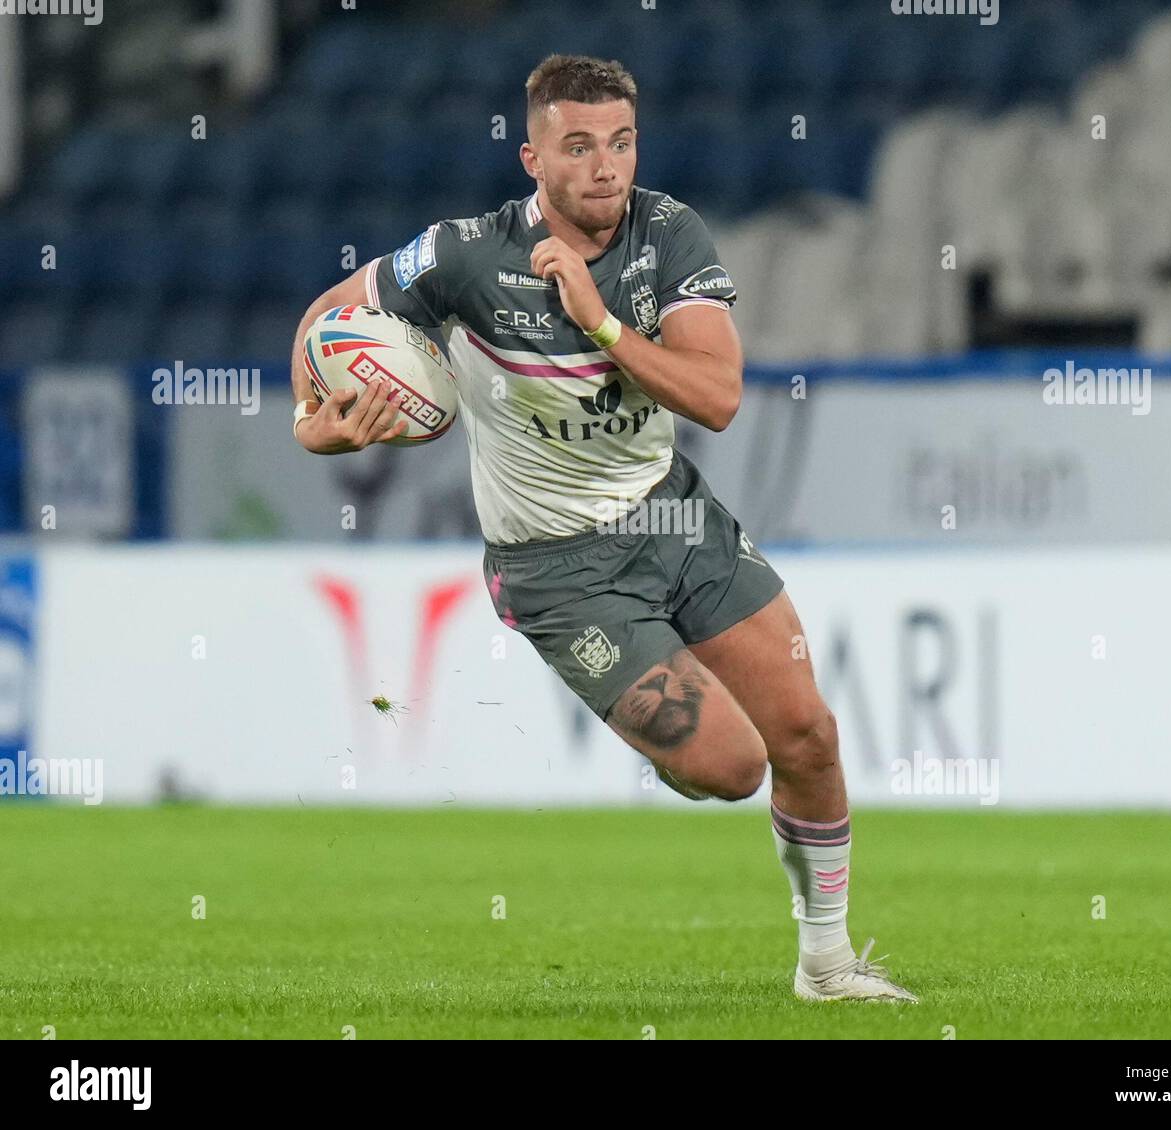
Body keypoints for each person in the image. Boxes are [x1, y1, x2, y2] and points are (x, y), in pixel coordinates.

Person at [290, 54, 916, 1004]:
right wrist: (313, 421)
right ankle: (644, 695)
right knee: (734, 766)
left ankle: (826, 967)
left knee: (809, 735)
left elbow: (718, 396)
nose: (604, 166)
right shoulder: (464, 256)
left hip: (673, 515)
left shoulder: (669, 235)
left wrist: (604, 325)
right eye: (577, 146)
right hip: (557, 568)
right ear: (532, 160)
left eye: (621, 143)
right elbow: (326, 318)